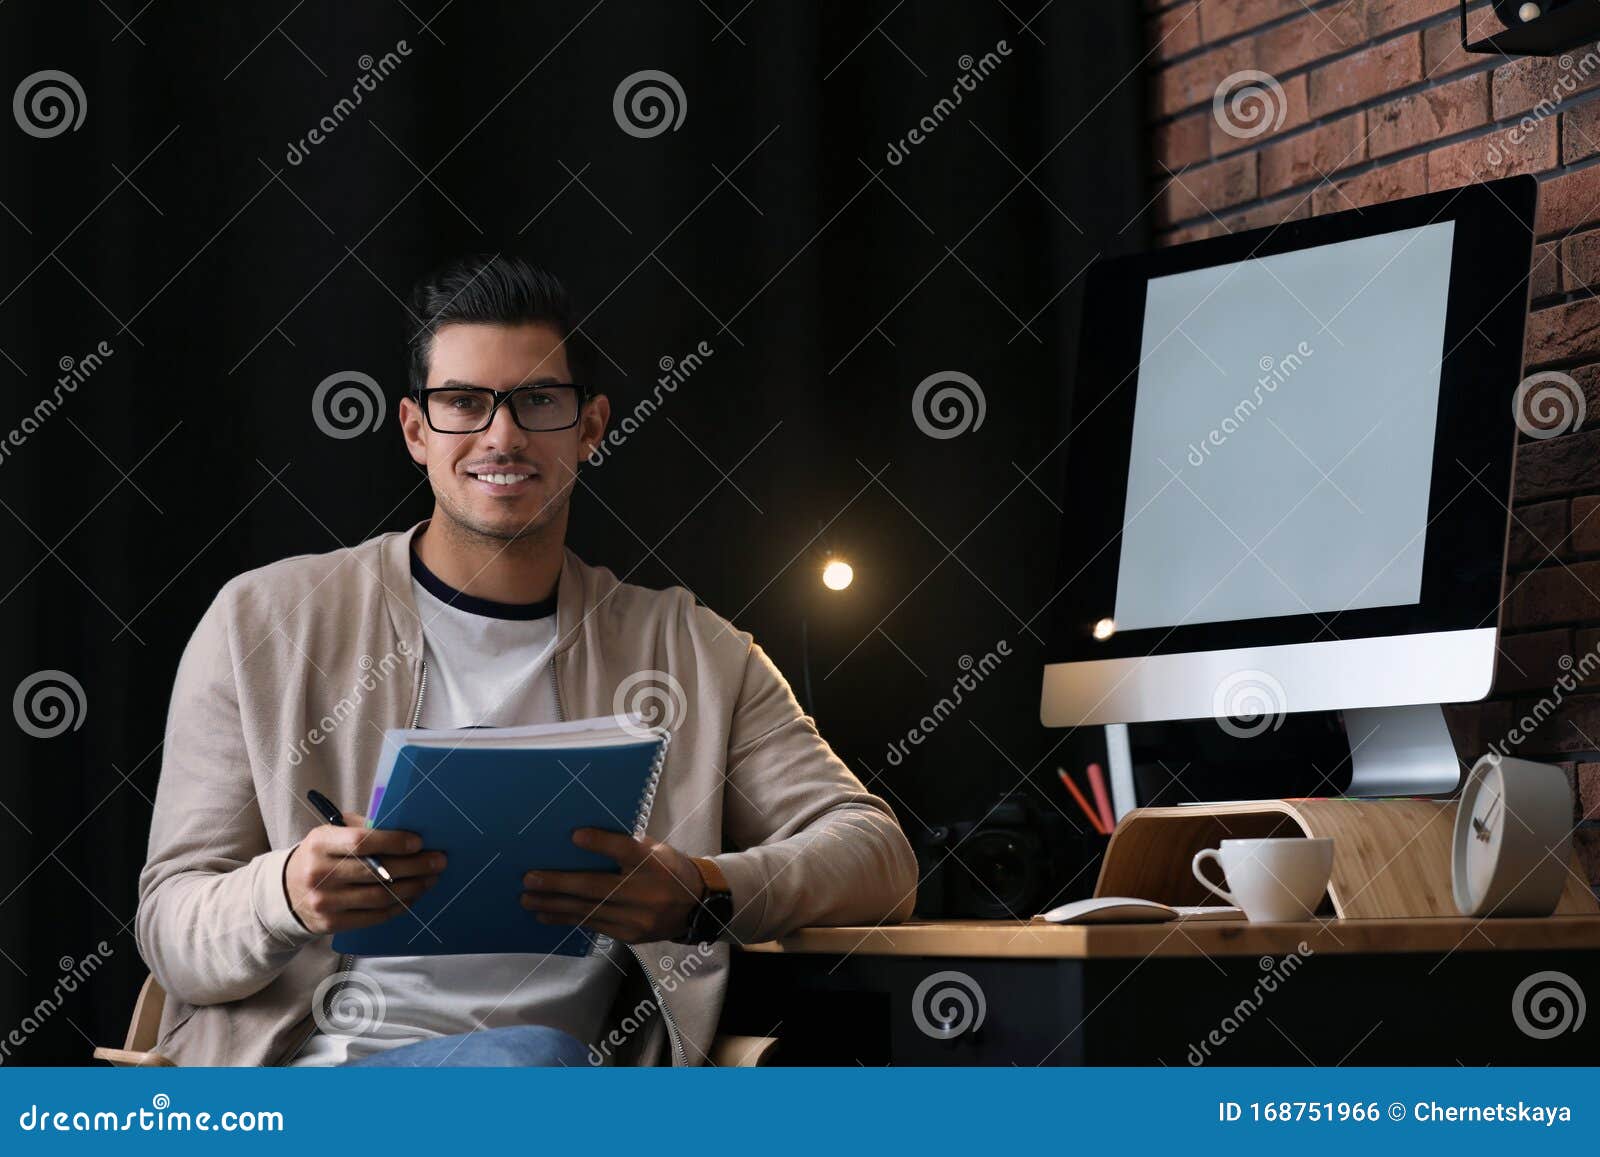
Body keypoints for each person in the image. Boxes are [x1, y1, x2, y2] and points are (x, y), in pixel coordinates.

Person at [135, 254, 918, 1067]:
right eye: (464, 403)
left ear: (591, 427)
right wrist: (287, 892)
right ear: (415, 431)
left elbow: (879, 854)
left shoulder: (692, 652)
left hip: (559, 1086)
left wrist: (701, 892)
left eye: (538, 401)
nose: (501, 435)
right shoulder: (263, 621)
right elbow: (169, 926)